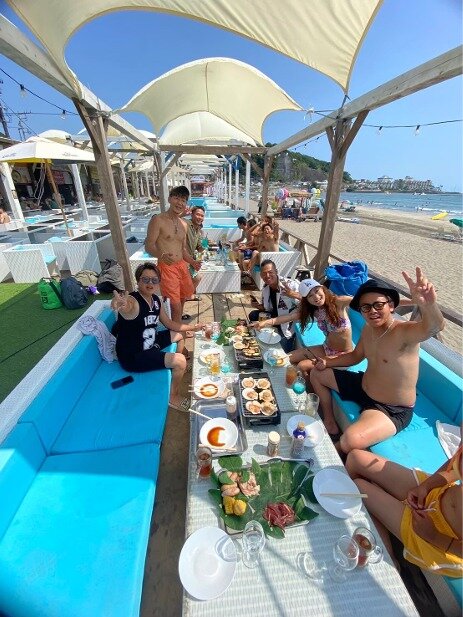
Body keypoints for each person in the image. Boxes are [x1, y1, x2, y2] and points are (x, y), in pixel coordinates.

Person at [310, 268, 445, 449]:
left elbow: (433, 327)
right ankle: (329, 421)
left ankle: (334, 453)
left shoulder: (404, 332)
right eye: (366, 307)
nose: (372, 311)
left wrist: (429, 305)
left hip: (390, 407)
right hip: (363, 386)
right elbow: (355, 356)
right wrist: (327, 361)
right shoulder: (368, 329)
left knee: (350, 440)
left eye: (378, 305)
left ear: (391, 306)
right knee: (317, 373)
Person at [346, 446, 462, 576]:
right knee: (355, 459)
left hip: (439, 538)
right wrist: (426, 487)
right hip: (437, 493)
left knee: (359, 487)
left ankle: (388, 556)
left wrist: (433, 535)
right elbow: (456, 463)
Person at [111, 262, 203, 410]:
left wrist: (194, 327)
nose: (150, 283)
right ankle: (173, 397)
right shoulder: (133, 301)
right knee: (180, 361)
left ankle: (174, 368)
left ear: (159, 282)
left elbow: (169, 323)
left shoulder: (155, 300)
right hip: (134, 356)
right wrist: (122, 305)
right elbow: (127, 307)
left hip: (150, 342)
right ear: (138, 281)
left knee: (180, 334)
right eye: (145, 279)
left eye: (154, 280)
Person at [258, 278, 353, 377]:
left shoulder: (338, 302)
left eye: (317, 291)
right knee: (286, 358)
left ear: (322, 288)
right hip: (326, 348)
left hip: (344, 355)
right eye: (310, 296)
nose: (316, 297)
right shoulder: (315, 310)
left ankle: (308, 386)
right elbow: (289, 317)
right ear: (307, 300)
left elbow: (358, 300)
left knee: (302, 366)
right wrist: (265, 322)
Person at [145, 185, 201, 325]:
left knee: (183, 298)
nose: (180, 203)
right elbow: (149, 245)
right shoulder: (158, 220)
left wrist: (193, 262)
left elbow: (183, 250)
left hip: (182, 266)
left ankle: (177, 326)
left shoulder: (184, 224)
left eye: (183, 200)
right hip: (167, 268)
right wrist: (161, 255)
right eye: (177, 198)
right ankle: (177, 332)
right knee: (174, 304)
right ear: (169, 199)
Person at [249, 259, 299, 353]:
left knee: (282, 351)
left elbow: (309, 301)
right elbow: (267, 308)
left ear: (276, 272)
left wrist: (293, 294)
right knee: (253, 314)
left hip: (288, 322)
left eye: (270, 272)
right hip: (273, 316)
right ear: (261, 275)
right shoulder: (266, 288)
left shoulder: (289, 285)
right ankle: (260, 335)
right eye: (264, 274)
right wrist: (258, 306)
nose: (267, 276)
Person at [185, 205, 205, 294]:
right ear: (192, 214)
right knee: (197, 278)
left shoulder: (198, 230)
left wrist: (204, 244)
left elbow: (200, 249)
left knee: (197, 278)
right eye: (198, 214)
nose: (200, 217)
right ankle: (187, 295)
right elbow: (175, 219)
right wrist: (182, 213)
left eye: (202, 216)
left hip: (190, 261)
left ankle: (187, 295)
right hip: (183, 260)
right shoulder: (186, 224)